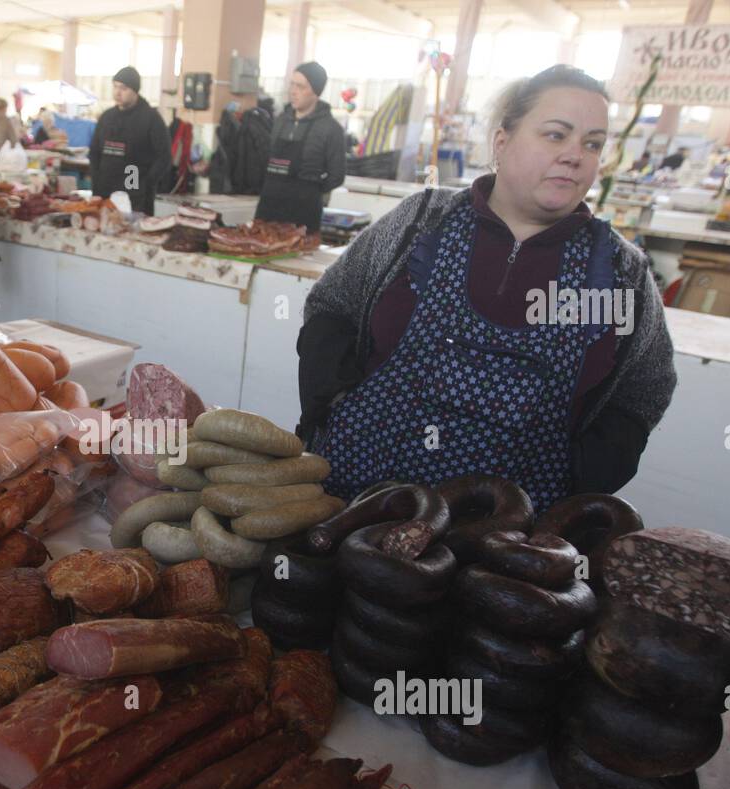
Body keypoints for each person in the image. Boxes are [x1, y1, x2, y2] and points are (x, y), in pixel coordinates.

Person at [297, 65, 676, 511]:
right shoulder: (421, 223)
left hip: (508, 547)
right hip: (350, 505)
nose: (575, 155)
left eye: (592, 143)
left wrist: (584, 477)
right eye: (556, 135)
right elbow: (332, 309)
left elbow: (644, 390)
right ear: (502, 141)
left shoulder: (617, 272)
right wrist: (331, 406)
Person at [254, 61, 347, 235]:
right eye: (292, 84)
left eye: (301, 86)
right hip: (268, 207)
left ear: (316, 92)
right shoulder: (281, 120)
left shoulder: (330, 128)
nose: (293, 91)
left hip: (303, 213)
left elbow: (337, 176)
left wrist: (309, 191)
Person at [89, 67, 171, 214]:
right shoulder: (107, 117)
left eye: (124, 88)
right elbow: (94, 153)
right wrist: (97, 188)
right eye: (115, 86)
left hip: (136, 196)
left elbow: (164, 157)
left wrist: (147, 183)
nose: (117, 92)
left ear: (135, 91)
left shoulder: (151, 118)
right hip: (106, 193)